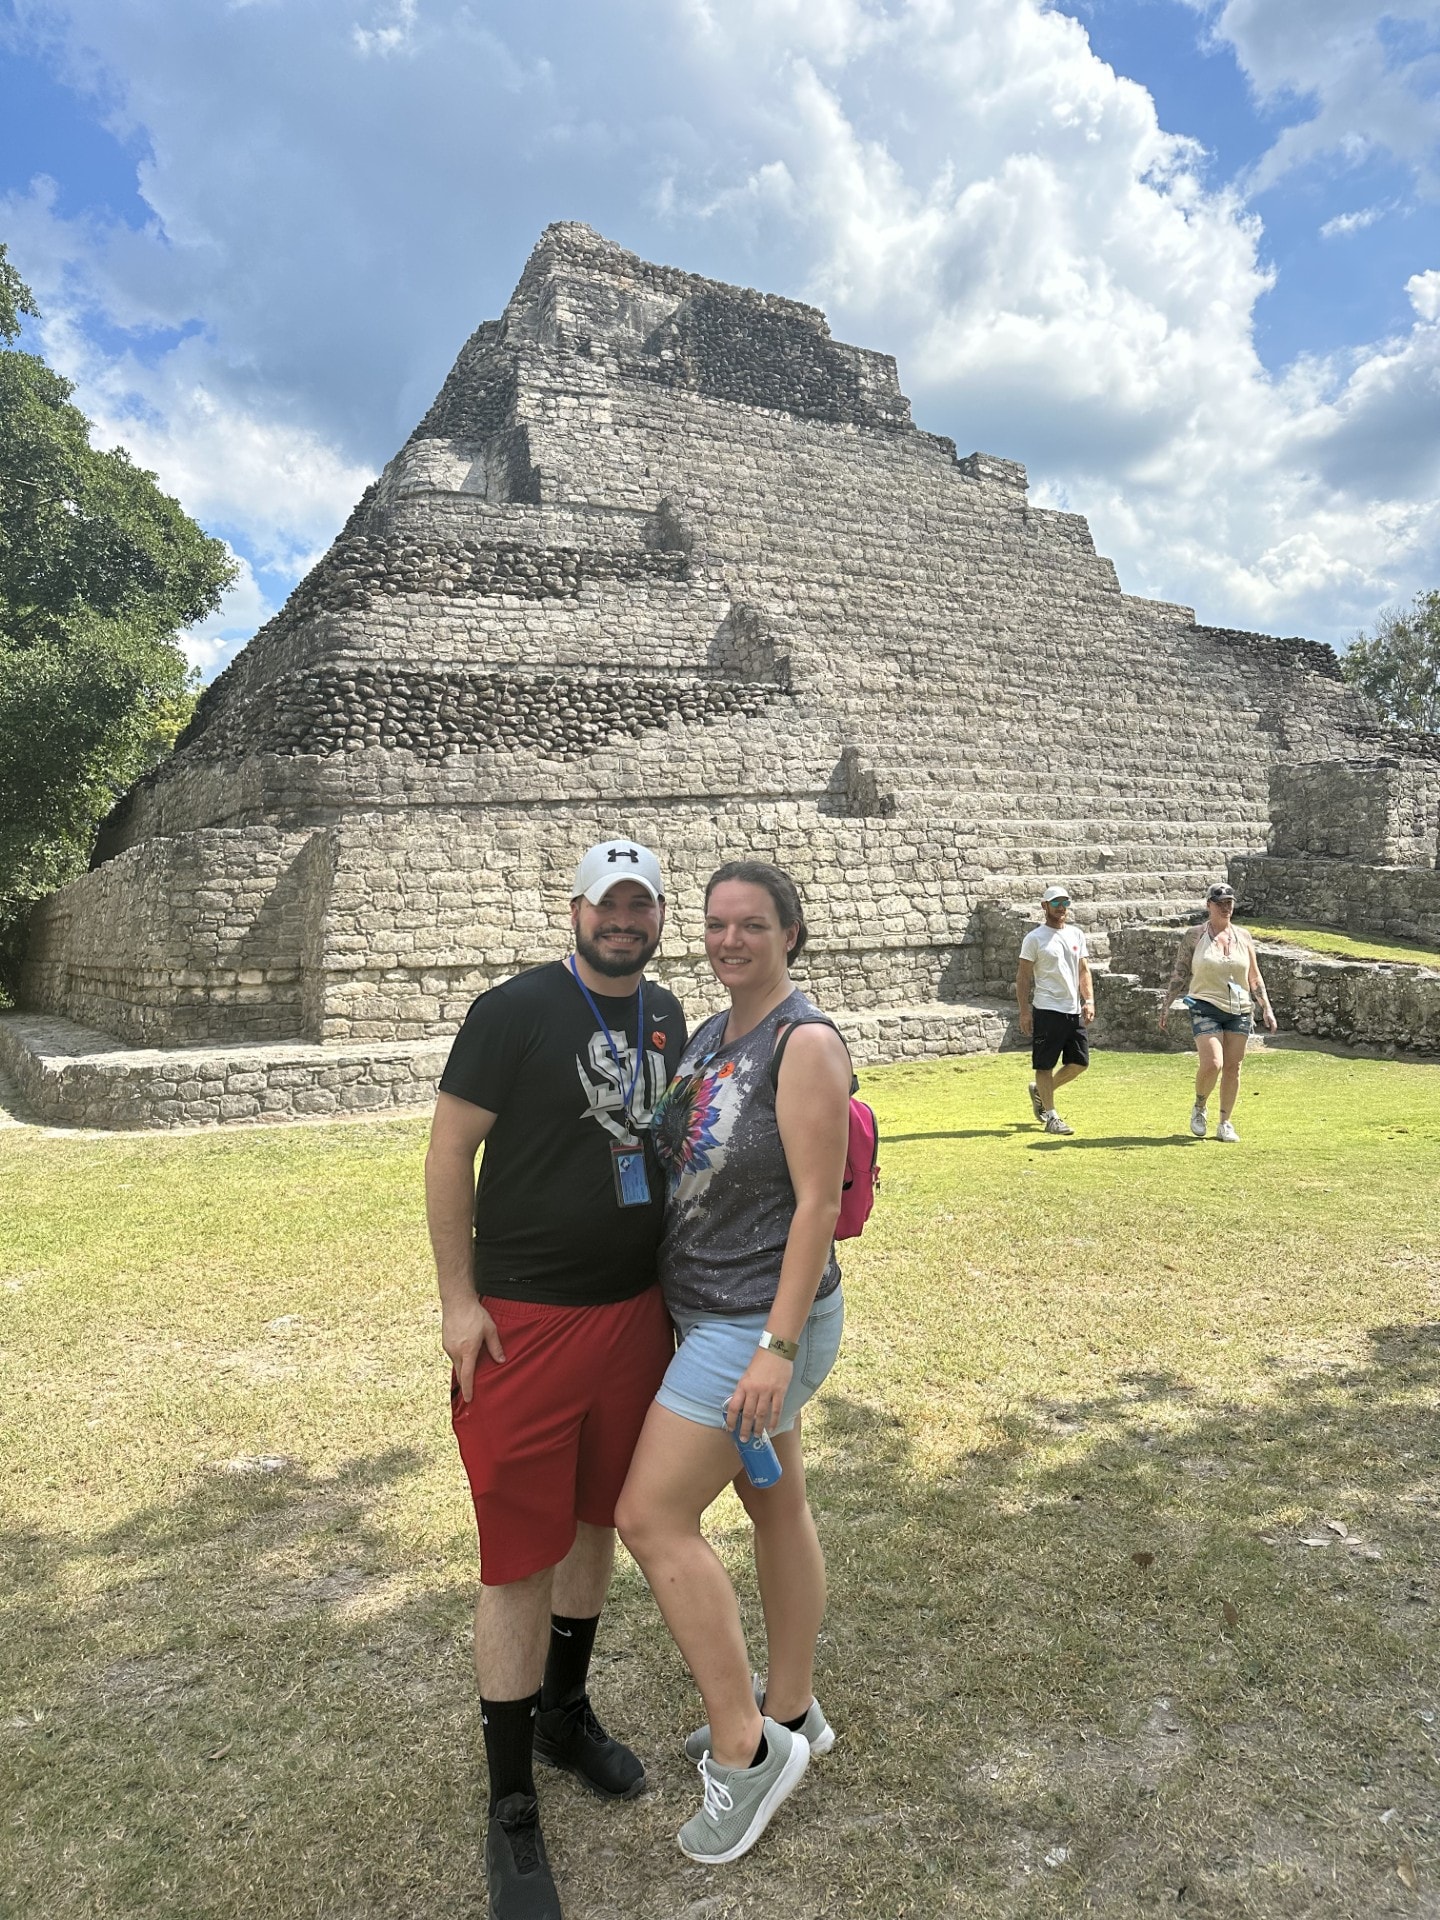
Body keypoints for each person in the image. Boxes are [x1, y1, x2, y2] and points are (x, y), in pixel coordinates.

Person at [425, 838, 687, 1920]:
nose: (624, 919)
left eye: (642, 904)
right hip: (526, 1320)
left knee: (597, 1522)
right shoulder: (512, 1011)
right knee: (518, 1555)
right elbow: (449, 1153)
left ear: (659, 916)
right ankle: (509, 1804)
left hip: (635, 1314)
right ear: (573, 909)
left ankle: (564, 1710)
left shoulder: (665, 1011)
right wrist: (457, 1299)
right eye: (608, 903)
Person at [615, 860, 852, 1867]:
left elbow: (818, 1204)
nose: (728, 940)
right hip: (716, 1314)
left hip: (754, 1326)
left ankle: (746, 1754)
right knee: (776, 1504)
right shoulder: (715, 1035)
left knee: (652, 1517)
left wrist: (776, 1350)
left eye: (751, 924)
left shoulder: (805, 1044)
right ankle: (792, 1711)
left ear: (790, 933)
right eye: (715, 924)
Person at [1159, 882, 1277, 1141]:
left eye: (1229, 903)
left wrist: (1266, 1008)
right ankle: (1200, 1106)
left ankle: (1225, 1122)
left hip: (1239, 1008)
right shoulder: (1194, 935)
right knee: (1213, 1063)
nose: (1226, 908)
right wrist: (1167, 1003)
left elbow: (1254, 977)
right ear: (1208, 905)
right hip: (1205, 1005)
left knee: (1233, 1067)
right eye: (1220, 903)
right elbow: (1180, 971)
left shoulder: (1243, 936)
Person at [1016, 883, 1095, 1136]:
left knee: (1080, 1063)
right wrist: (1024, 1011)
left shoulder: (1076, 934)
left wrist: (1089, 1000)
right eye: (1056, 903)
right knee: (1044, 1065)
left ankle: (1041, 1091)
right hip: (1047, 1009)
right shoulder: (1034, 939)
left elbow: (1083, 970)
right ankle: (1051, 1117)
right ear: (1045, 906)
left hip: (1072, 1010)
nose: (1062, 908)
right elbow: (1023, 976)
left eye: (1065, 903)